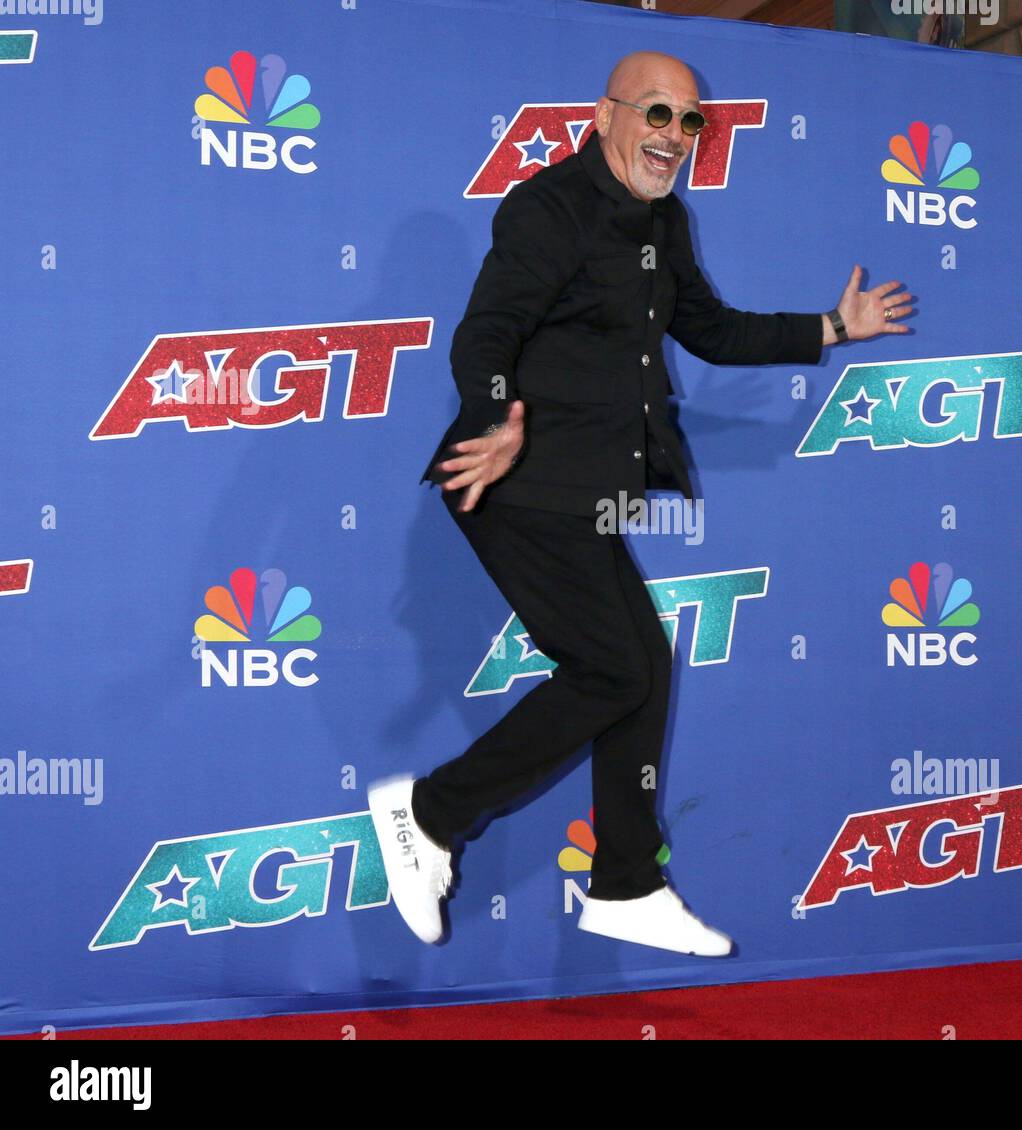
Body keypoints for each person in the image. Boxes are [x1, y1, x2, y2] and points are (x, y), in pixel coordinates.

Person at [369, 50, 913, 955]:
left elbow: (710, 328)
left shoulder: (666, 222)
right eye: (656, 114)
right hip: (517, 481)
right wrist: (494, 417)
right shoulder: (550, 207)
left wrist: (828, 328)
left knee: (641, 669)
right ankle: (427, 812)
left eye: (689, 121)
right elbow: (488, 329)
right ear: (606, 115)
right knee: (617, 670)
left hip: (592, 492)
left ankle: (625, 883)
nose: (673, 136)